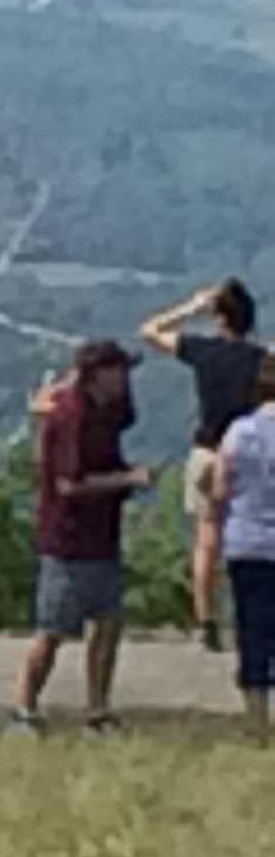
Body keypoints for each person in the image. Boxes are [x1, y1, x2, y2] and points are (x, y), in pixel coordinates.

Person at [10, 341, 154, 736]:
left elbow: (128, 416)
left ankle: (97, 711)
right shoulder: (71, 418)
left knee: (108, 624)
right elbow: (68, 484)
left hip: (101, 536)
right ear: (97, 375)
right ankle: (23, 710)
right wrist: (126, 479)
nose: (124, 379)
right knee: (52, 632)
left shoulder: (105, 413)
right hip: (67, 540)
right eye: (117, 371)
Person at [140, 279, 264, 651]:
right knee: (256, 533)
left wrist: (191, 307)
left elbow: (150, 330)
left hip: (208, 451)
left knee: (207, 537)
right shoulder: (260, 359)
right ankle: (250, 615)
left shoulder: (203, 351)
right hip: (249, 453)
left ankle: (206, 617)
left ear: (218, 318)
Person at [197, 357, 275, 742]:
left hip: (247, 543)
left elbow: (219, 489)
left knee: (253, 630)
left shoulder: (239, 432)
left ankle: (258, 719)